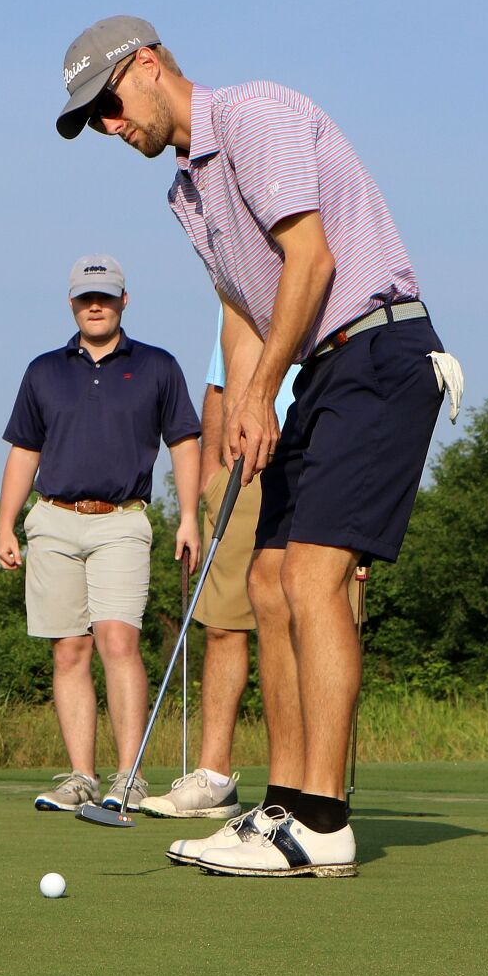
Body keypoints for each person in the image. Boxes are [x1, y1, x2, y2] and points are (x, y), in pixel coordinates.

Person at [55, 16, 456, 876]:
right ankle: (279, 808)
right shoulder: (185, 194)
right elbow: (244, 308)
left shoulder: (257, 115)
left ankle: (323, 820)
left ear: (149, 65)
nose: (109, 126)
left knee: (312, 572)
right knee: (269, 582)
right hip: (319, 368)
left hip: (380, 349)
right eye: (92, 120)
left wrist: (266, 386)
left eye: (109, 104)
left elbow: (310, 263)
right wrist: (243, 405)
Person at [0, 254, 202, 815]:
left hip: (122, 519)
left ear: (123, 302)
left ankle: (128, 777)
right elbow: (24, 450)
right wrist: (5, 523)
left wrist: (189, 517)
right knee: (69, 649)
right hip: (53, 519)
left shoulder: (157, 366)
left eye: (106, 297)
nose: (96, 305)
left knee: (118, 641)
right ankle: (80, 777)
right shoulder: (43, 370)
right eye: (87, 297)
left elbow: (185, 441)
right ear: (71, 303)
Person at [140, 307, 365, 820]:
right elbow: (219, 386)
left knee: (313, 611)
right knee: (225, 622)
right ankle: (215, 777)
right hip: (244, 469)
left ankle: (311, 787)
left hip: (321, 452)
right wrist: (212, 478)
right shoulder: (237, 278)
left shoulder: (323, 270)